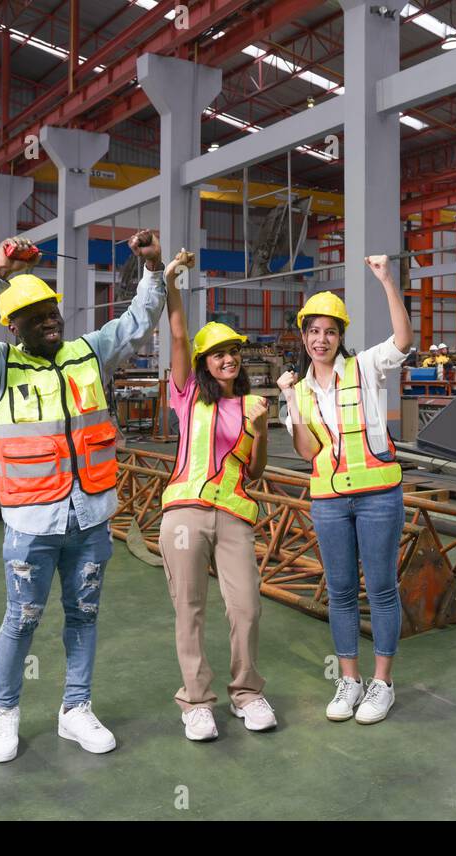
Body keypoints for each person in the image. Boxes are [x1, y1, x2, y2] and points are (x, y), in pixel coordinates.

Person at [0, 232, 166, 763]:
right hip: (31, 523)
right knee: (22, 618)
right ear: (12, 326)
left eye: (52, 310)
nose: (50, 319)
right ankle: (3, 712)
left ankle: (76, 709)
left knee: (84, 613)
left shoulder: (89, 354)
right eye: (36, 314)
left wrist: (153, 269)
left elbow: (138, 320)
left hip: (89, 517)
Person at [277, 255, 412, 724]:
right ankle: (349, 681)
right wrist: (291, 402)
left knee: (380, 590)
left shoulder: (365, 367)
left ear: (340, 336)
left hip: (378, 496)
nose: (321, 339)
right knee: (338, 592)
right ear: (303, 336)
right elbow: (304, 448)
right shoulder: (298, 389)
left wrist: (386, 281)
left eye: (330, 331)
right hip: (330, 501)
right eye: (313, 331)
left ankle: (383, 684)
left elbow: (404, 340)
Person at [158, 247, 277, 742]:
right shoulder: (187, 395)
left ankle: (246, 692)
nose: (227, 359)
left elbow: (255, 469)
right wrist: (171, 281)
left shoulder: (252, 403)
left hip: (232, 515)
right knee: (190, 608)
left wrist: (263, 428)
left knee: (245, 605)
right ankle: (196, 702)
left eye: (233, 353)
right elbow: (180, 333)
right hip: (184, 514)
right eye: (218, 354)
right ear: (206, 363)